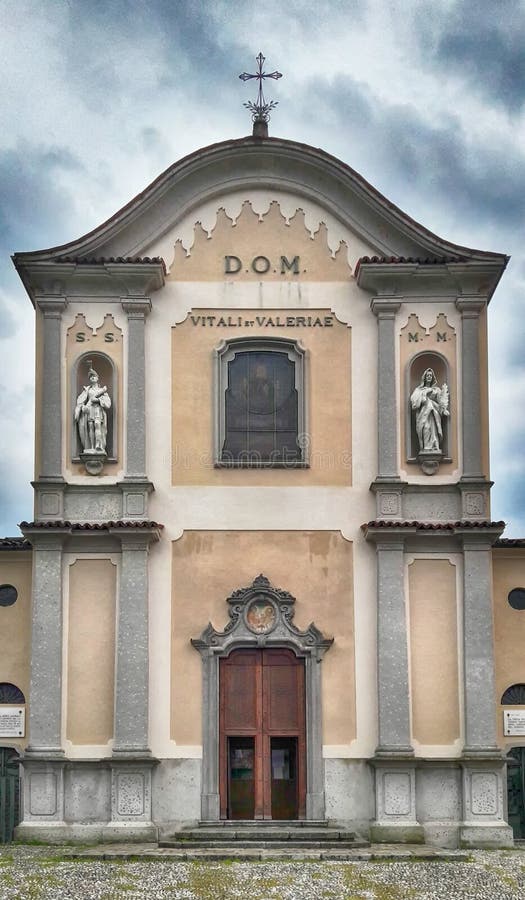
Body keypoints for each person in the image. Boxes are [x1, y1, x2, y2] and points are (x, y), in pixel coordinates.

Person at [410, 367, 449, 453]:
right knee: (426, 428)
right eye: (427, 375)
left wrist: (443, 410)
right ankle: (425, 448)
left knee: (434, 430)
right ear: (424, 377)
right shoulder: (419, 390)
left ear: (432, 378)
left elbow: (441, 402)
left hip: (434, 414)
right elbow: (414, 402)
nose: (429, 377)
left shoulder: (437, 390)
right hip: (423, 413)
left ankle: (435, 447)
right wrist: (424, 395)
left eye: (430, 375)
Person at [75, 364, 111, 454]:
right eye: (91, 377)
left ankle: (98, 446)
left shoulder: (102, 390)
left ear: (97, 378)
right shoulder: (88, 390)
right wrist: (82, 407)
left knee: (97, 425)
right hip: (90, 410)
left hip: (98, 410)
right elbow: (82, 400)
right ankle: (91, 447)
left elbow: (108, 403)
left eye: (94, 376)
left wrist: (98, 400)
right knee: (90, 427)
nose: (92, 378)